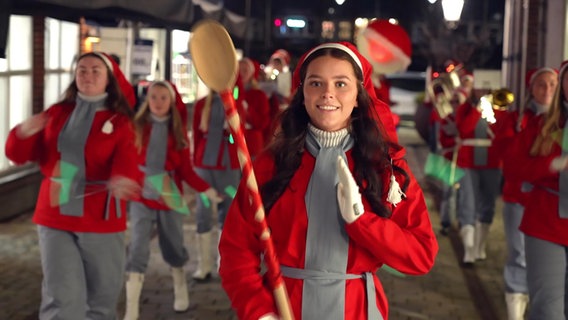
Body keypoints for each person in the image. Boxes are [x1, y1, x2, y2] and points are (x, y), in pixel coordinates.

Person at [218, 42, 438, 320]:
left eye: (341, 84)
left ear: (358, 95)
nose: (328, 94)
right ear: (303, 94)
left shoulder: (386, 169)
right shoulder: (271, 164)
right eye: (316, 83)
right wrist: (259, 312)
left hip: (357, 310)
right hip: (284, 308)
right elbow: (236, 249)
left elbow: (421, 255)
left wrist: (362, 222)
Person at [4, 51, 140, 319]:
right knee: (61, 296)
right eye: (82, 70)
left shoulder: (120, 122)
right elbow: (19, 154)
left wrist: (123, 179)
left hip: (100, 217)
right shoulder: (57, 113)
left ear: (108, 80)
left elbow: (129, 160)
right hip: (55, 215)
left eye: (95, 71)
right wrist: (22, 133)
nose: (87, 75)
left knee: (102, 297)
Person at [123, 81, 222, 319]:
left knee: (173, 244)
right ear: (147, 100)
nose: (157, 102)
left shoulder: (177, 133)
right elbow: (125, 159)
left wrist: (207, 190)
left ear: (171, 102)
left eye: (163, 98)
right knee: (137, 247)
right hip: (142, 195)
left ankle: (180, 286)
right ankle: (131, 307)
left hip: (168, 194)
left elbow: (186, 171)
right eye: (153, 97)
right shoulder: (136, 127)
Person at [504, 60, 568, 320]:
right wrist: (552, 164)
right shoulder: (541, 124)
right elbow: (513, 166)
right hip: (547, 223)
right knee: (548, 308)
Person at [190, 86, 244, 281]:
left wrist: (230, 130)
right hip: (205, 165)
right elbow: (196, 134)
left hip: (228, 166)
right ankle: (203, 265)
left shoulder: (236, 102)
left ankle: (224, 262)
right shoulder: (201, 104)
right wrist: (195, 161)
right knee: (203, 211)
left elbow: (239, 136)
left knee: (228, 213)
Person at [454, 84, 509, 265]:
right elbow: (464, 129)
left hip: (492, 163)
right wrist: (478, 109)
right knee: (467, 203)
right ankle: (468, 250)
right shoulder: (466, 108)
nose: (484, 92)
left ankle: (480, 245)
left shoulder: (500, 110)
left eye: (487, 88)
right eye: (480, 88)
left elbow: (503, 134)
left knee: (488, 205)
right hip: (468, 162)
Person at [239, 57, 271, 157]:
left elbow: (262, 123)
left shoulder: (259, 95)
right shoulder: (233, 92)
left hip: (251, 146)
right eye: (239, 70)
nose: (241, 73)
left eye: (245, 70)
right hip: (233, 146)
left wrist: (247, 110)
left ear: (251, 74)